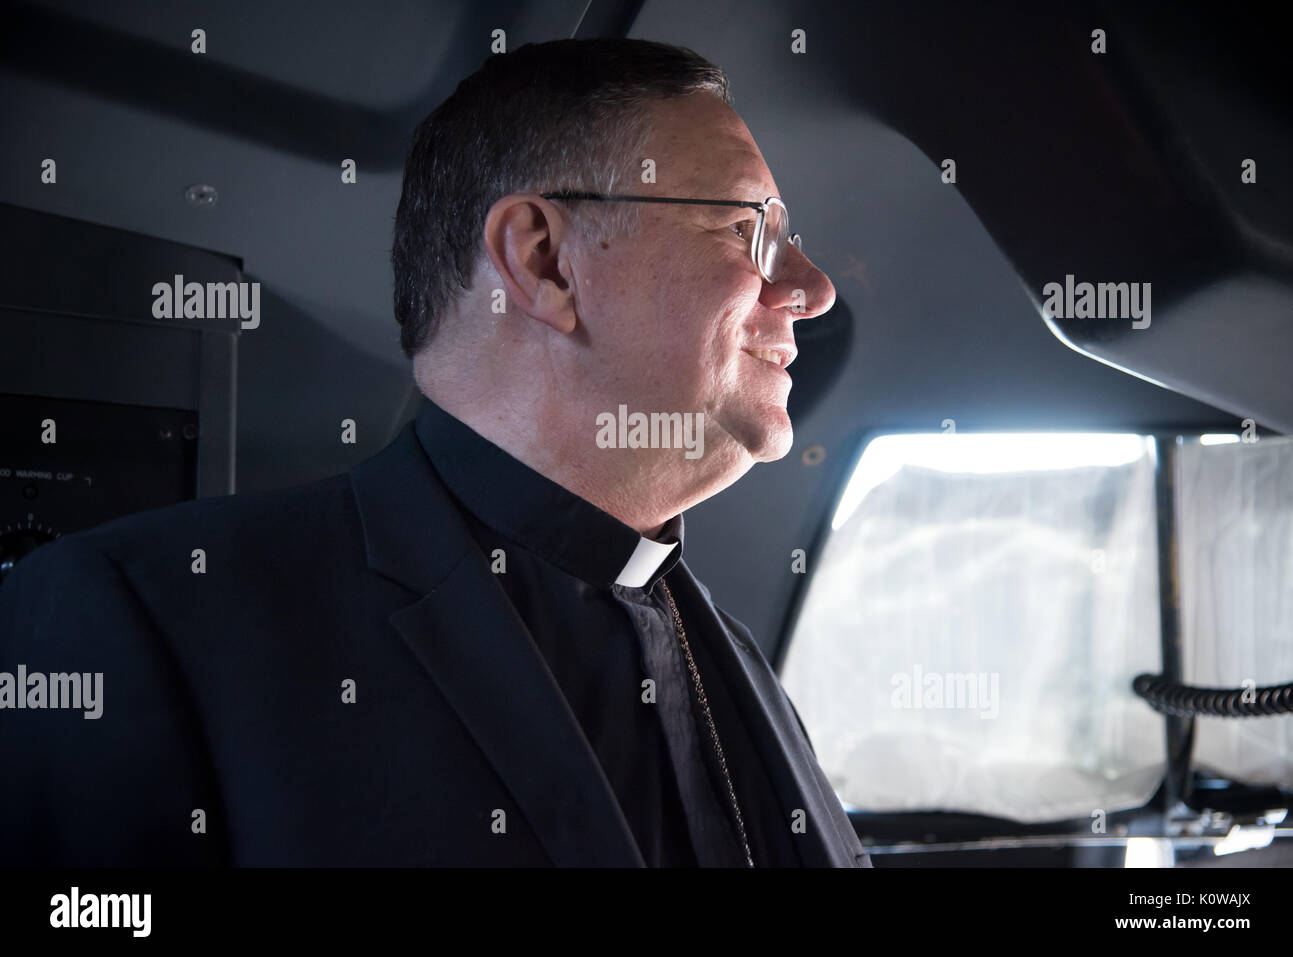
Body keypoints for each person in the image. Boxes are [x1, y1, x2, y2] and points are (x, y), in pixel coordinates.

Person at [0, 38, 869, 867]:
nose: (814, 288)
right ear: (544, 261)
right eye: (749, 229)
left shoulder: (741, 664)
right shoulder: (142, 620)